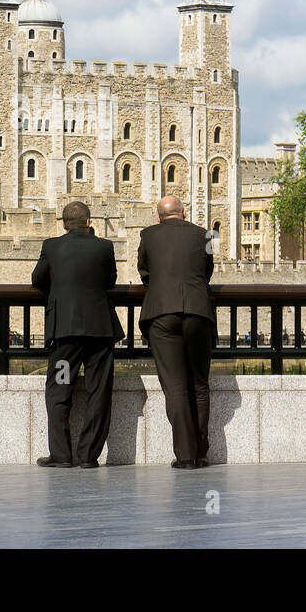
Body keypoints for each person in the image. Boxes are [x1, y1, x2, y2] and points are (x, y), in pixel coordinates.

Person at [31, 200, 123, 468]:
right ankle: (88, 456)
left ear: (62, 224)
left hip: (65, 336)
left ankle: (61, 455)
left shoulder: (52, 246)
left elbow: (37, 279)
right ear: (89, 223)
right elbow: (110, 281)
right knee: (99, 391)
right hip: (99, 333)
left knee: (59, 390)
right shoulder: (104, 247)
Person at [137, 196, 215, 469]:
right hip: (198, 312)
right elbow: (207, 272)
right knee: (199, 383)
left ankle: (185, 456)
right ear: (184, 213)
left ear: (158, 217)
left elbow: (144, 272)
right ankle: (202, 451)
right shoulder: (204, 235)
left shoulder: (148, 235)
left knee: (176, 387)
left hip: (161, 313)